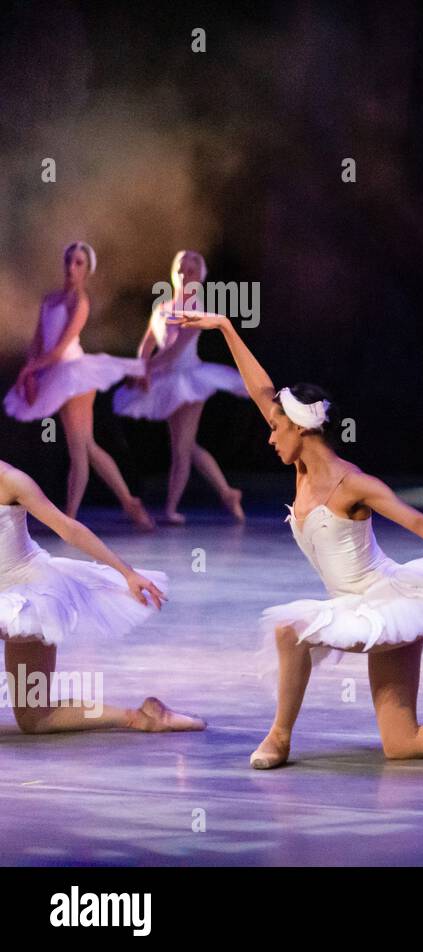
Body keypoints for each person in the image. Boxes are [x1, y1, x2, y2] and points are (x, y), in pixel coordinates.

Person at [168, 309, 423, 770]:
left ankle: (279, 737)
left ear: (303, 428)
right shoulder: (301, 464)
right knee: (402, 743)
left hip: (385, 606)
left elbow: (421, 524)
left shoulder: (353, 484)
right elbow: (261, 388)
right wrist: (226, 327)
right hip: (360, 609)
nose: (270, 438)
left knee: (290, 631)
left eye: (276, 428)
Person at [0, 459, 204, 734]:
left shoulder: (12, 480)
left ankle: (136, 719)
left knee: (36, 716)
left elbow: (68, 529)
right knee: (35, 720)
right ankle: (142, 717)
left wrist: (126, 572)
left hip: (28, 595)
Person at [4, 242, 154, 529]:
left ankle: (69, 520)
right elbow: (38, 342)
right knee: (88, 445)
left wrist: (30, 371)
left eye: (79, 263)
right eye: (69, 261)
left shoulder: (80, 302)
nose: (72, 267)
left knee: (78, 449)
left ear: (87, 270)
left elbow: (60, 349)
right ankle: (128, 501)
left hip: (75, 374)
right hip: (52, 372)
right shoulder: (50, 299)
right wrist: (31, 371)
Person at [114, 250, 247, 524]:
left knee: (182, 448)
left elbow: (174, 352)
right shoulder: (162, 308)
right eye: (182, 269)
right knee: (186, 445)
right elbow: (148, 343)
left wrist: (147, 369)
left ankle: (172, 509)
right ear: (173, 274)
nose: (186, 275)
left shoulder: (196, 310)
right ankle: (227, 492)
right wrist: (141, 366)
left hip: (189, 379)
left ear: (201, 277)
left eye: (193, 271)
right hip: (167, 378)